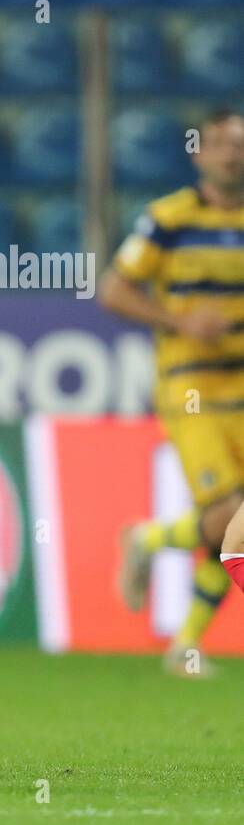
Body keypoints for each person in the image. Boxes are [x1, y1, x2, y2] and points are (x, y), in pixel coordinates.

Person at [103, 109, 244, 677]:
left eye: (241, 145)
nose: (233, 154)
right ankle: (147, 539)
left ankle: (184, 644)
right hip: (193, 388)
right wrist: (181, 322)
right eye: (221, 144)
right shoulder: (167, 218)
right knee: (227, 514)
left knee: (236, 523)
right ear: (199, 153)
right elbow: (115, 290)